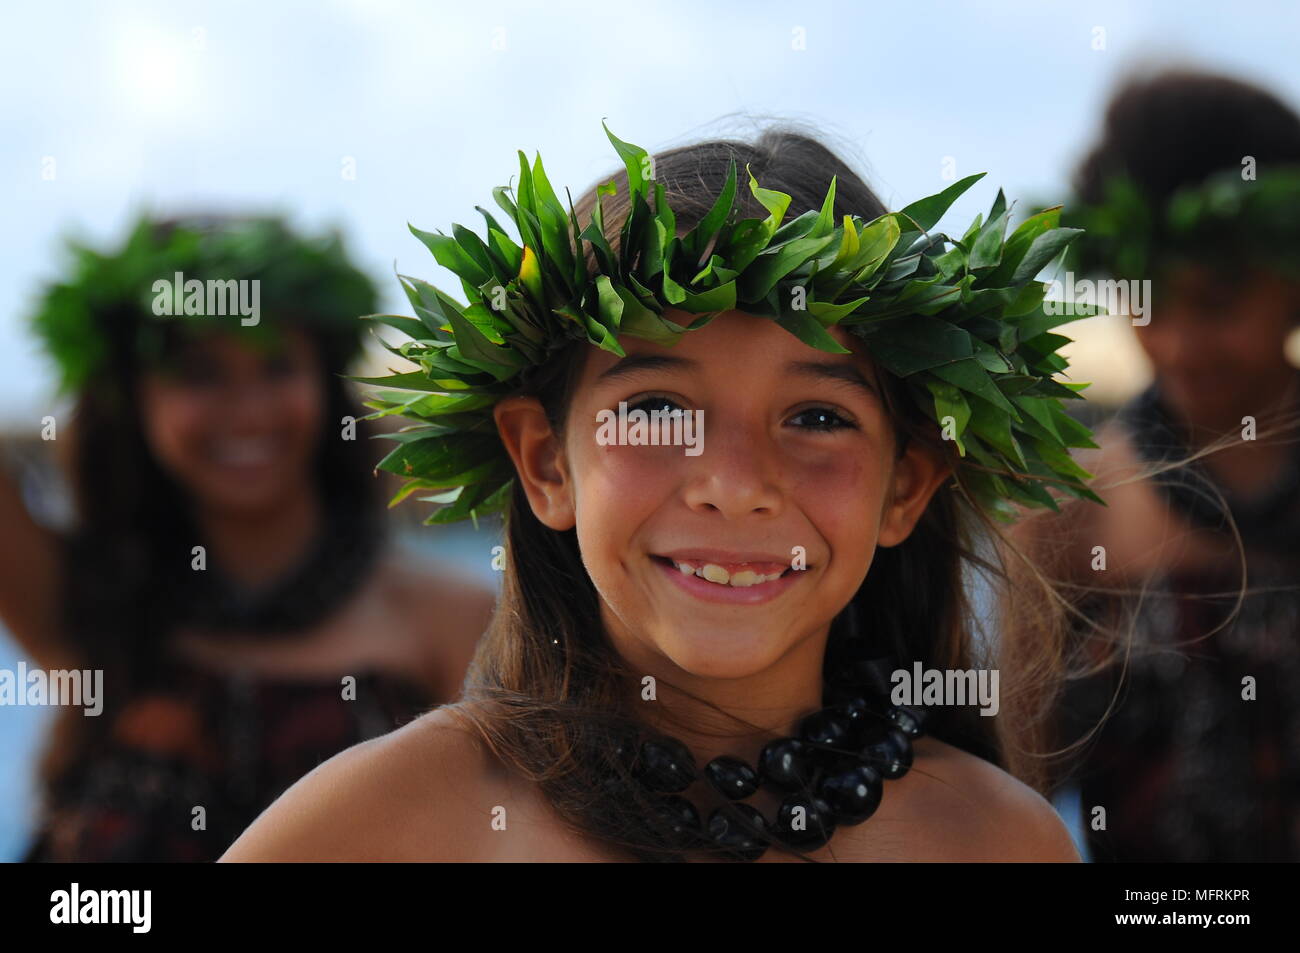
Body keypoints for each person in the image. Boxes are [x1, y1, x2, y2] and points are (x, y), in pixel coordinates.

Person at [221, 122, 1116, 863]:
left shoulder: (997, 842)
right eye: (655, 409)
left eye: (815, 417)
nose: (734, 486)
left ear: (906, 485)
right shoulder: (386, 826)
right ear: (545, 462)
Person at [1, 214, 496, 861]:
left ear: (325, 383)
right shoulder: (86, 603)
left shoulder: (452, 620)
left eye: (276, 365)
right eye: (201, 371)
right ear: (129, 396)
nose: (249, 408)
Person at [1015, 70, 1300, 861]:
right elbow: (1014, 794)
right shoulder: (1067, 505)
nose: (1176, 341)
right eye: (1147, 301)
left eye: (1218, 299)